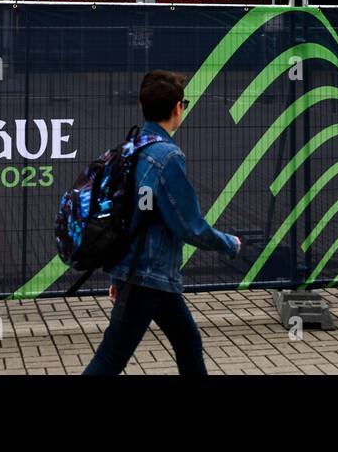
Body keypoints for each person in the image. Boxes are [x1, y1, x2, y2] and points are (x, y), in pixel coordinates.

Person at [83, 70, 241, 376]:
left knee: (187, 341)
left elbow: (131, 216)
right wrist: (229, 244)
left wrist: (119, 275)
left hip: (148, 273)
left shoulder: (134, 145)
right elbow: (190, 225)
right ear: (178, 108)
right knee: (110, 358)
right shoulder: (166, 156)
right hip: (146, 274)